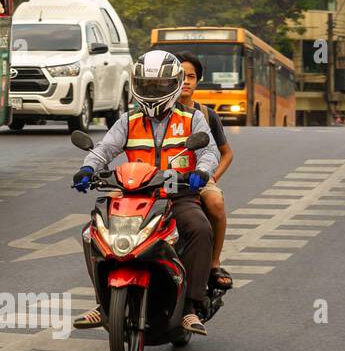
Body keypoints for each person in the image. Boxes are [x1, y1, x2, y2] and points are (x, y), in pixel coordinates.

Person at [71, 50, 221, 336]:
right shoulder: (129, 120)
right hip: (132, 197)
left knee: (200, 228)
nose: (153, 91)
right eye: (147, 85)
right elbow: (104, 149)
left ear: (174, 84)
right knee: (91, 234)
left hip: (177, 195)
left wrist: (200, 173)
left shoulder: (192, 119)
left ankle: (190, 306)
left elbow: (209, 151)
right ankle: (103, 305)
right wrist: (87, 169)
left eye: (161, 86)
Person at [178, 53, 234, 290]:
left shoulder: (206, 115)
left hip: (198, 178)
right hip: (161, 179)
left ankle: (213, 264)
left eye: (191, 76)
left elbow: (226, 153)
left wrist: (210, 177)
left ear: (198, 81)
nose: (186, 81)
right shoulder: (155, 110)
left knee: (216, 203)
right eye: (181, 76)